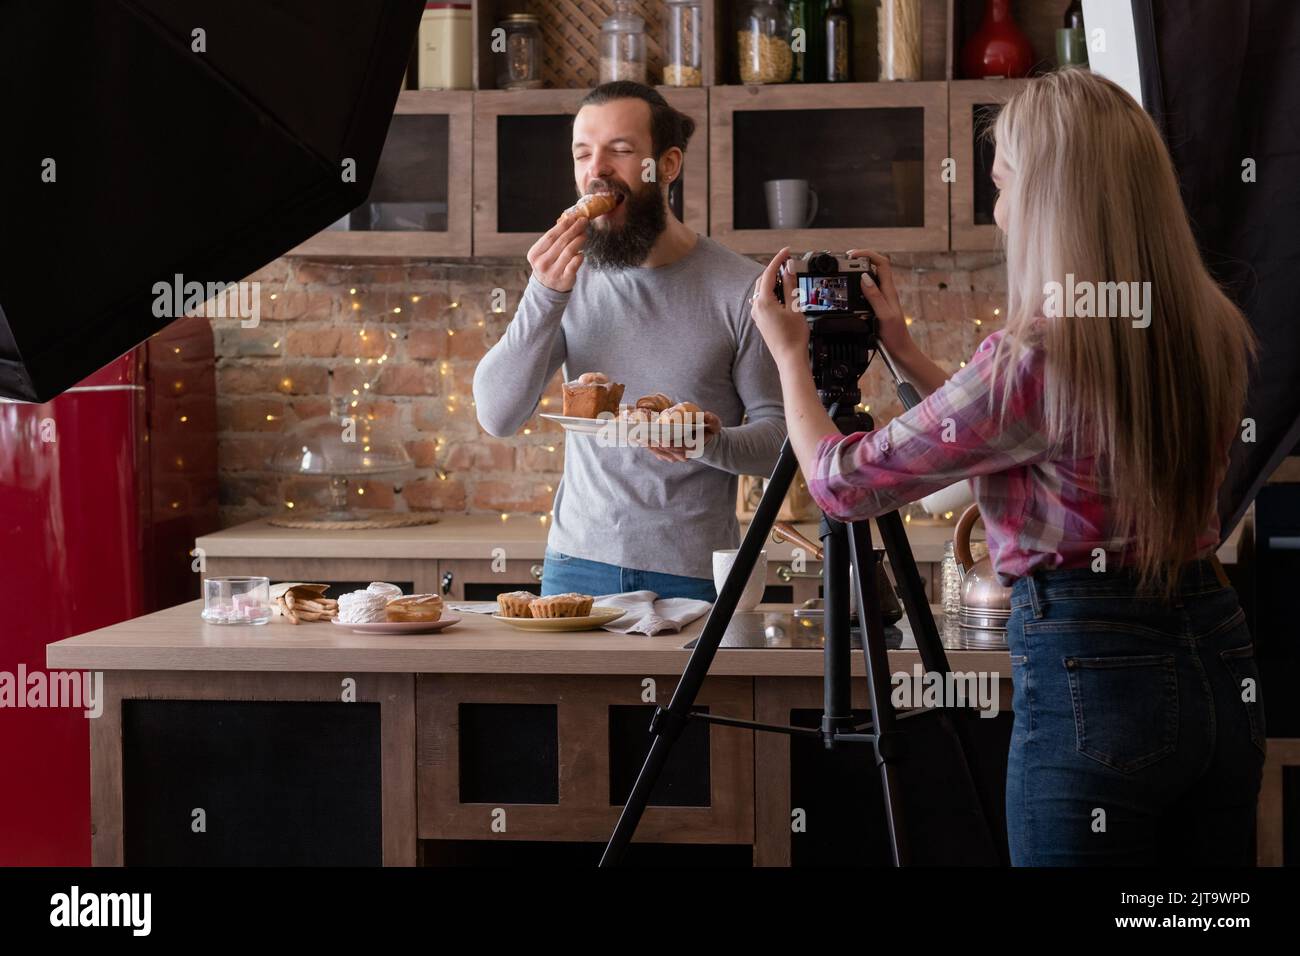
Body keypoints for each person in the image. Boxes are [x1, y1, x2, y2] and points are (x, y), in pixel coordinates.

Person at [749, 69, 1261, 866]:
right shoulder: (1211, 327)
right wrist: (907, 351)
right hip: (1221, 656)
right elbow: (1034, 431)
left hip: (1095, 671)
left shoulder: (1031, 358)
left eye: (1003, 185)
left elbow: (842, 484)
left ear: (1052, 198)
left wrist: (787, 359)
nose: (998, 209)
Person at [473, 82, 785, 602]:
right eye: (582, 153)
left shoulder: (742, 289)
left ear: (667, 166)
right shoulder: (565, 281)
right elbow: (497, 416)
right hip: (575, 570)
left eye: (620, 150)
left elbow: (781, 440)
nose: (597, 169)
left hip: (696, 574)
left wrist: (711, 444)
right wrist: (542, 294)